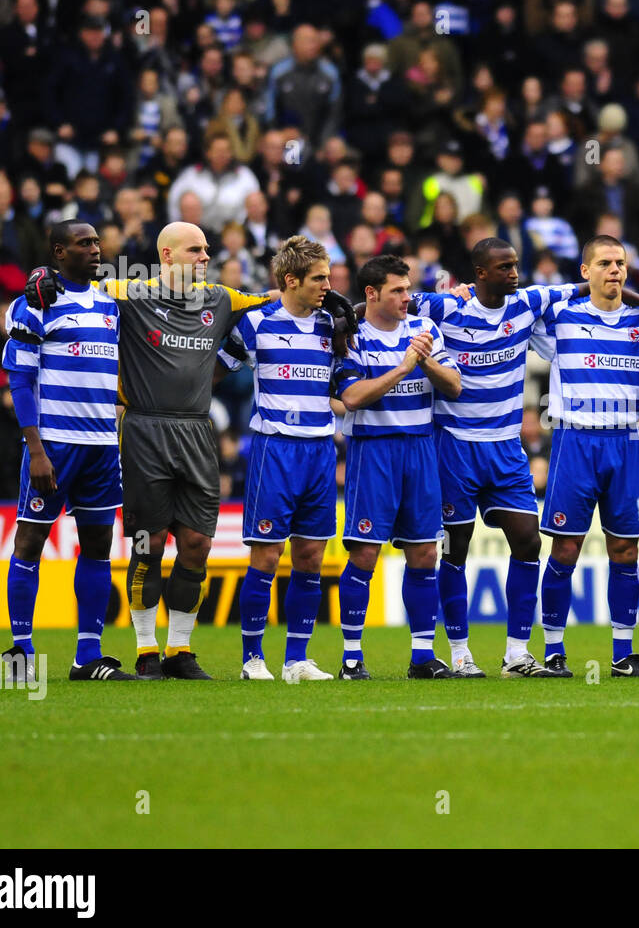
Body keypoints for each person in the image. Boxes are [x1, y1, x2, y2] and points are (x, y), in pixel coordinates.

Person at [23, 223, 331, 680]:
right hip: (144, 428)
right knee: (147, 545)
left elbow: (277, 298)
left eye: (207, 250)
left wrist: (352, 307)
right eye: (195, 250)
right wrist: (38, 276)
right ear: (167, 256)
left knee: (197, 543)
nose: (205, 257)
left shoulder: (223, 299)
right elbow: (73, 284)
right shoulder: (126, 293)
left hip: (196, 431)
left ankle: (180, 650)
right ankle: (146, 650)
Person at [411, 238, 639, 677]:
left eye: (620, 263)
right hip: (459, 442)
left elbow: (604, 293)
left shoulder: (539, 304)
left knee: (532, 541)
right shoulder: (453, 306)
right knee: (457, 548)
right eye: (505, 267)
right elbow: (390, 302)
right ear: (480, 273)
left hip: (527, 444)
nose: (515, 272)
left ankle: (519, 654)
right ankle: (463, 653)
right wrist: (340, 316)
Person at [0, 220, 134, 681]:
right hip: (55, 445)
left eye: (97, 241)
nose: (96, 249)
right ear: (59, 251)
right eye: (85, 243)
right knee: (31, 540)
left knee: (98, 547)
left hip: (101, 445)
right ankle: (20, 650)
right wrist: (35, 448)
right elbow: (19, 378)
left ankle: (88, 657)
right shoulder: (35, 304)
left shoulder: (110, 305)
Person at [533, 235, 639, 677]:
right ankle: (553, 652)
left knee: (625, 550)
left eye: (621, 263)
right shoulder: (561, 319)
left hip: (626, 441)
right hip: (575, 441)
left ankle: (623, 654)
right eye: (604, 263)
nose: (615, 271)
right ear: (584, 272)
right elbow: (510, 308)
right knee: (566, 547)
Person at [333, 254, 464, 679]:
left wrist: (424, 361)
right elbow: (352, 398)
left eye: (408, 289)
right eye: (397, 290)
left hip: (421, 448)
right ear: (371, 294)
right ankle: (352, 657)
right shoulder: (352, 337)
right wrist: (403, 367)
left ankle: (423, 658)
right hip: (374, 450)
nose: (407, 297)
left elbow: (455, 387)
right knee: (365, 553)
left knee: (426, 551)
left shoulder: (425, 331)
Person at [220, 236, 340, 683]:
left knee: (310, 555)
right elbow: (216, 369)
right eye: (319, 278)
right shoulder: (255, 323)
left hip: (320, 449)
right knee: (266, 558)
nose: (328, 284)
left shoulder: (333, 324)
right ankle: (253, 659)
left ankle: (297, 660)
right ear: (291, 281)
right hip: (275, 448)